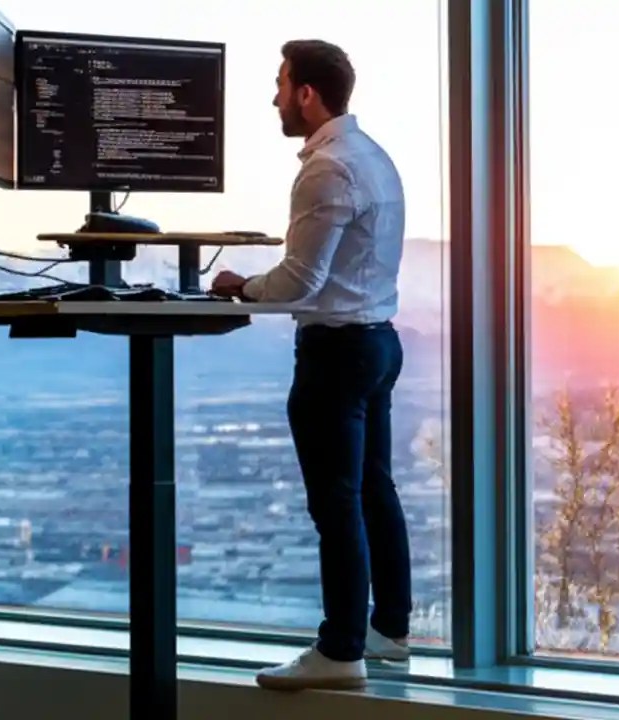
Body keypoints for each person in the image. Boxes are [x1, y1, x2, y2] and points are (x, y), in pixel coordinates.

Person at [209, 39, 411, 691]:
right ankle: (389, 630)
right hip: (378, 341)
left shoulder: (327, 169)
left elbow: (299, 280)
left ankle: (341, 650)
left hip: (337, 353)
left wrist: (240, 286)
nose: (273, 97)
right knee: (374, 491)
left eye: (279, 84)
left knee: (336, 505)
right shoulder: (373, 157)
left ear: (306, 94)